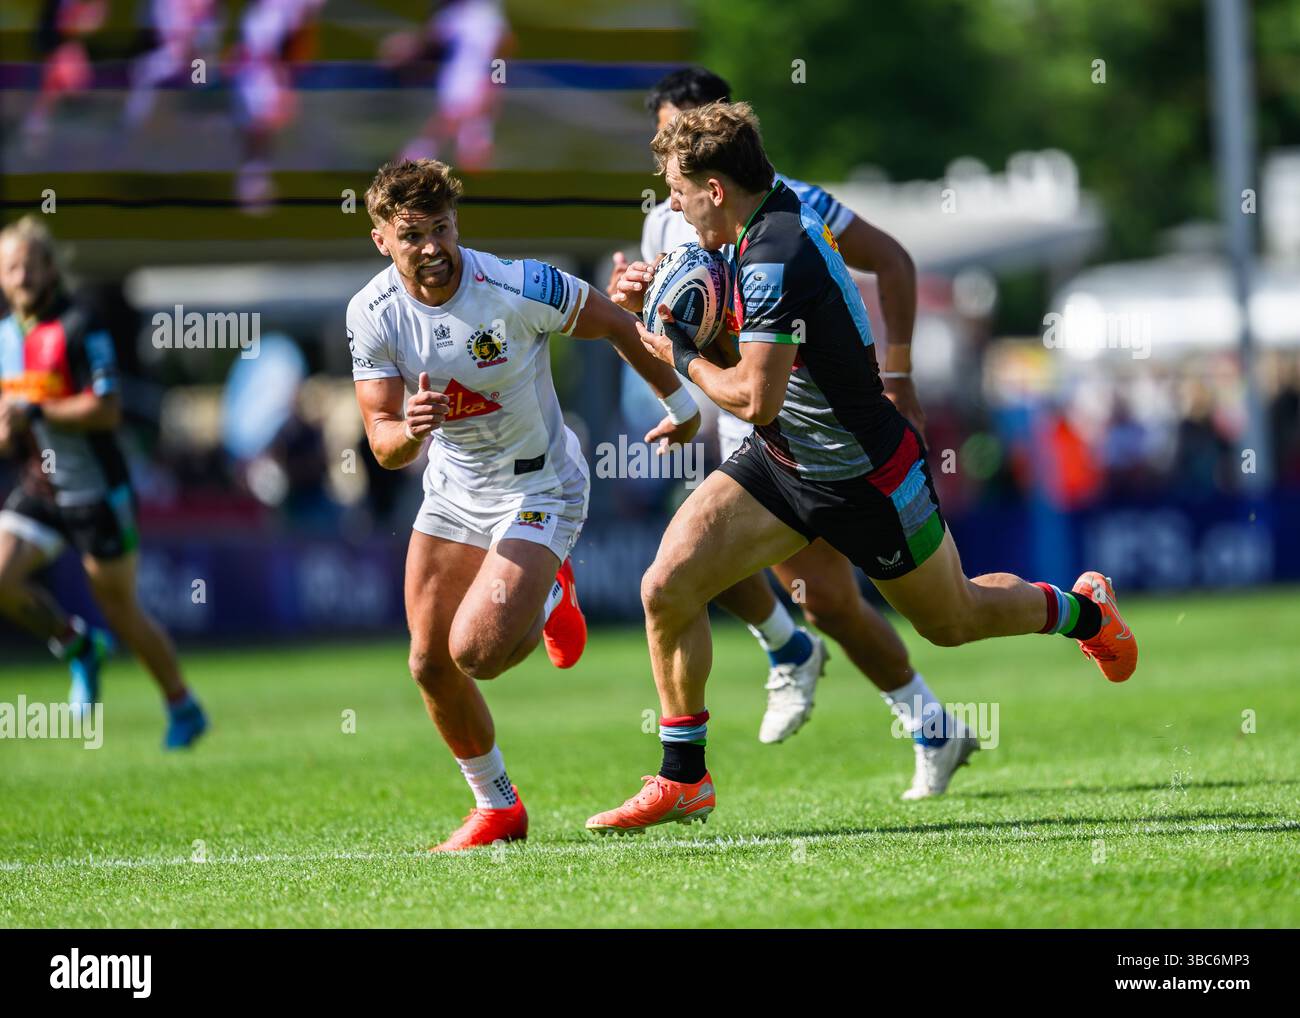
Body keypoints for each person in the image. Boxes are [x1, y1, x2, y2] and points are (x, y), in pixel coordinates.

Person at [586, 102, 1137, 835]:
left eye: (680, 193)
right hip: (784, 461)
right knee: (668, 585)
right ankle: (683, 777)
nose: (676, 209)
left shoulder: (778, 251)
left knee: (954, 621)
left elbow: (753, 396)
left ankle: (1084, 611)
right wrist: (666, 301)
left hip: (869, 478)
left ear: (715, 188)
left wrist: (676, 349)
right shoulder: (757, 222)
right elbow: (748, 355)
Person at [609, 67, 970, 799]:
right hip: (757, 431)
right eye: (664, 136)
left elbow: (888, 262)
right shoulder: (667, 218)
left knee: (863, 605)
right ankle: (745, 709)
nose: (668, 174)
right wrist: (647, 307)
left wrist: (900, 375)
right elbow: (710, 326)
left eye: (681, 136)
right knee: (689, 579)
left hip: (819, 432)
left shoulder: (791, 211)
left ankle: (898, 701)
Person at [348, 159, 699, 851]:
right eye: (412, 235)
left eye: (441, 228)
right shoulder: (371, 312)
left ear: (456, 224)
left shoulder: (516, 284)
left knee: (476, 654)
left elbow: (616, 323)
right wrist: (409, 430)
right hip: (453, 490)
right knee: (428, 664)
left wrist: (682, 406)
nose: (432, 247)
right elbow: (383, 443)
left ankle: (549, 591)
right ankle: (498, 807)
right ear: (382, 240)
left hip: (541, 486)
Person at [0, 217, 207, 749]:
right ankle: (77, 645)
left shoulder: (79, 325)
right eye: (11, 268)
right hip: (41, 488)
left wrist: (36, 410)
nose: (21, 277)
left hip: (97, 493)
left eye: (30, 265)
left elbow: (108, 409)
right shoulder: (4, 338)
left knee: (119, 609)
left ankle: (182, 704)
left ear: (50, 269)